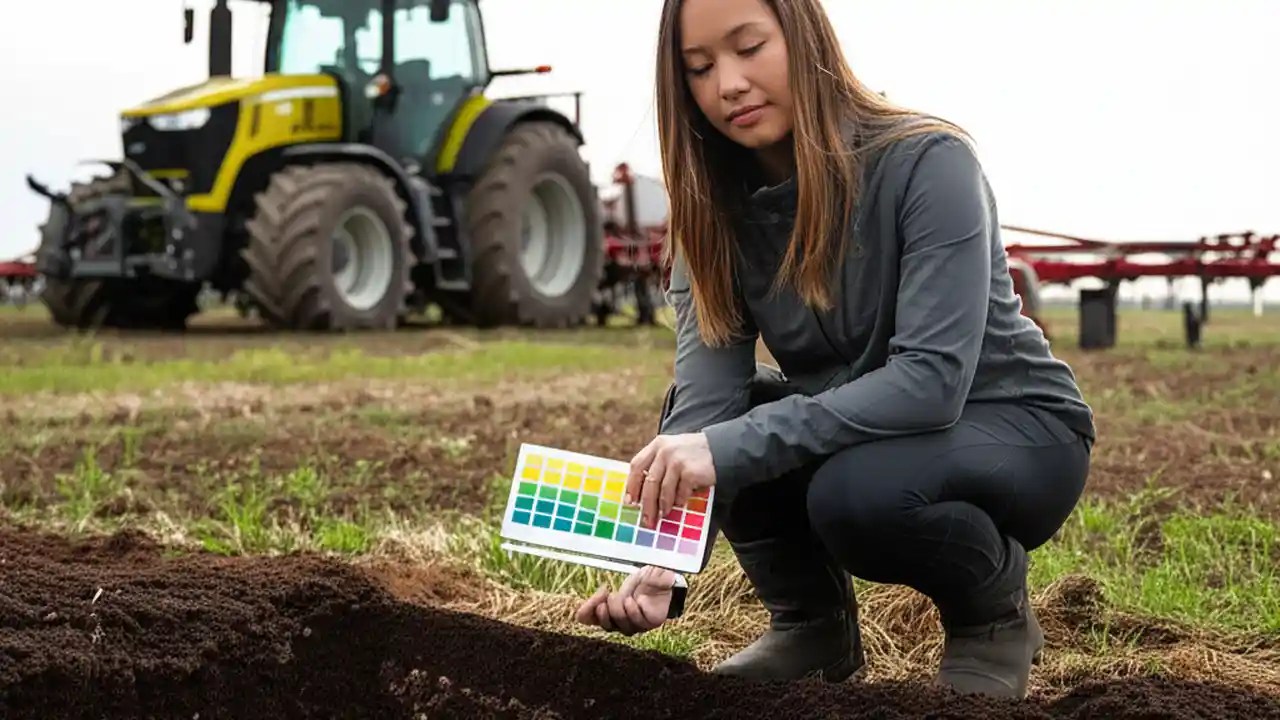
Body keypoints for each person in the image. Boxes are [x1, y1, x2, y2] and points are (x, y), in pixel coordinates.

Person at [573, 0, 1095, 700]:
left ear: (802, 36)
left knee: (855, 493)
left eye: (749, 47)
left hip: (1014, 428)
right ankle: (812, 628)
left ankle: (991, 616)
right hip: (869, 432)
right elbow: (707, 402)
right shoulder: (711, 215)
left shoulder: (927, 163)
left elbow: (930, 381)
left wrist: (725, 448)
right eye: (699, 68)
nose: (727, 83)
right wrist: (663, 561)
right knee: (719, 426)